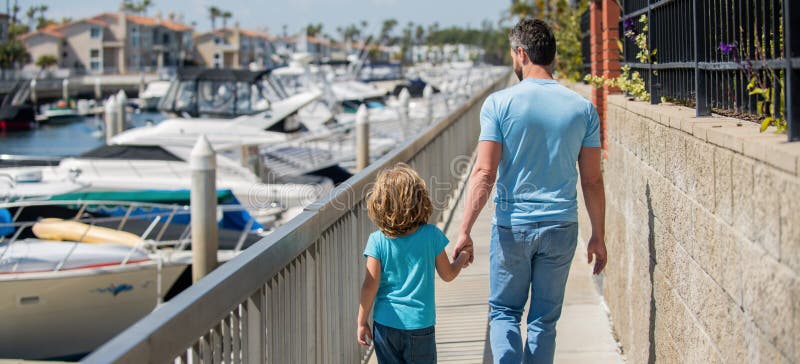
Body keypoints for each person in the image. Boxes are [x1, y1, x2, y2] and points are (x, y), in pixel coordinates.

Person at [453, 18, 608, 364]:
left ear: (521, 54)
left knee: (505, 313)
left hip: (512, 227)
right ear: (550, 57)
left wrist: (464, 229)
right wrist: (598, 234)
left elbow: (484, 171)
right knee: (543, 321)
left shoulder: (499, 104)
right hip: (561, 227)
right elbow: (593, 180)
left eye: (512, 54)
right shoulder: (583, 109)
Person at [357, 163, 470, 364]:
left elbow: (370, 284)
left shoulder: (377, 240)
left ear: (380, 203)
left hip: (386, 324)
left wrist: (361, 321)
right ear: (419, 200)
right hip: (420, 325)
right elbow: (448, 274)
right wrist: (462, 258)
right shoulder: (431, 235)